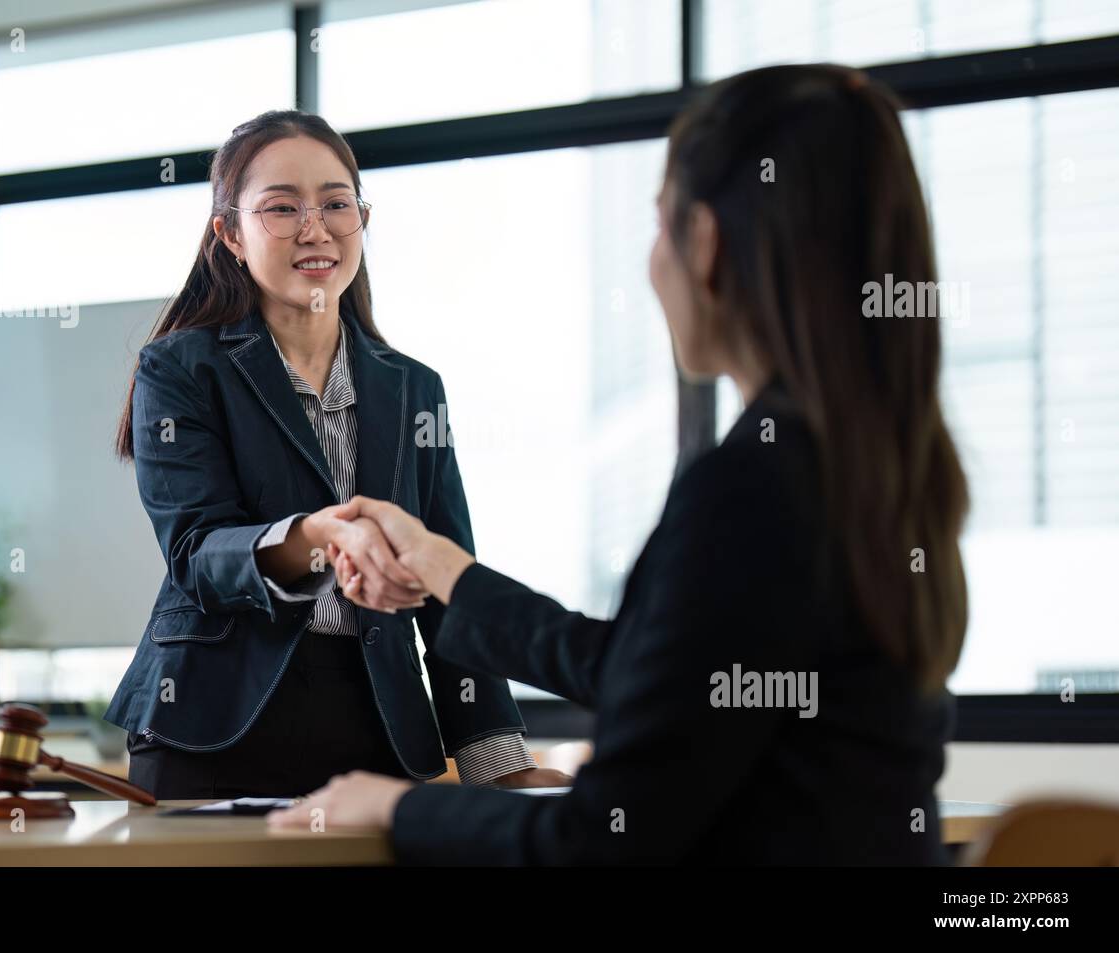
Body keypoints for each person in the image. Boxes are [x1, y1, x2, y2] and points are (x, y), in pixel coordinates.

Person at [266, 64, 971, 865]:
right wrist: (445, 570)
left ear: (704, 243)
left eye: (660, 225)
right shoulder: (879, 472)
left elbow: (600, 840)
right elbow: (653, 671)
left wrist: (398, 808)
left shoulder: (747, 491)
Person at [103, 110, 564, 799]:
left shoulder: (413, 387)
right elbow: (197, 553)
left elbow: (445, 577)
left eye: (336, 204)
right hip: (213, 721)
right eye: (281, 208)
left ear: (362, 218)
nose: (314, 229)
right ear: (229, 234)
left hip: (375, 723)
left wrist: (495, 757)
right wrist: (312, 539)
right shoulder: (179, 368)